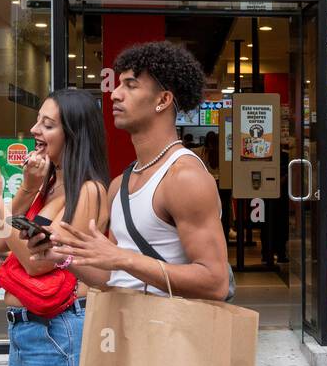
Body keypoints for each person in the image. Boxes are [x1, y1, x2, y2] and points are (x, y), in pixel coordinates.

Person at [31, 41, 230, 302]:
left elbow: (215, 283)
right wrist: (63, 257)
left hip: (174, 336)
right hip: (128, 334)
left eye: (131, 85)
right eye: (118, 83)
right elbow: (113, 277)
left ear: (163, 100)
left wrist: (124, 258)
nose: (115, 94)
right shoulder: (119, 184)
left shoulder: (184, 177)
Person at [0, 89, 109, 366]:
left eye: (47, 124)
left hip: (56, 330)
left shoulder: (89, 191)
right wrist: (28, 188)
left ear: (73, 133)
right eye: (37, 122)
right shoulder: (48, 183)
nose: (34, 130)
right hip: (25, 331)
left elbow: (37, 263)